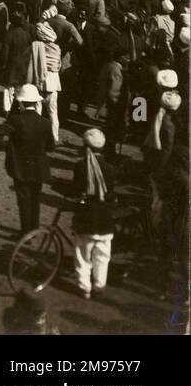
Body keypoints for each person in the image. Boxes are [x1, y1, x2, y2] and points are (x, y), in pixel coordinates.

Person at [0, 83, 51, 233]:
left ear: (20, 102)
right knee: (35, 199)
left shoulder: (15, 120)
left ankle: (25, 232)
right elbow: (51, 146)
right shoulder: (46, 123)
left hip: (19, 166)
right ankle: (34, 229)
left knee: (24, 201)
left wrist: (5, 146)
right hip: (38, 167)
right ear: (36, 102)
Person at [72, 128, 115, 300]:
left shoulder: (80, 166)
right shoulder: (111, 169)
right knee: (102, 257)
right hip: (105, 220)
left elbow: (76, 190)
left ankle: (84, 287)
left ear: (85, 146)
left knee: (83, 255)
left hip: (86, 219)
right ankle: (99, 286)